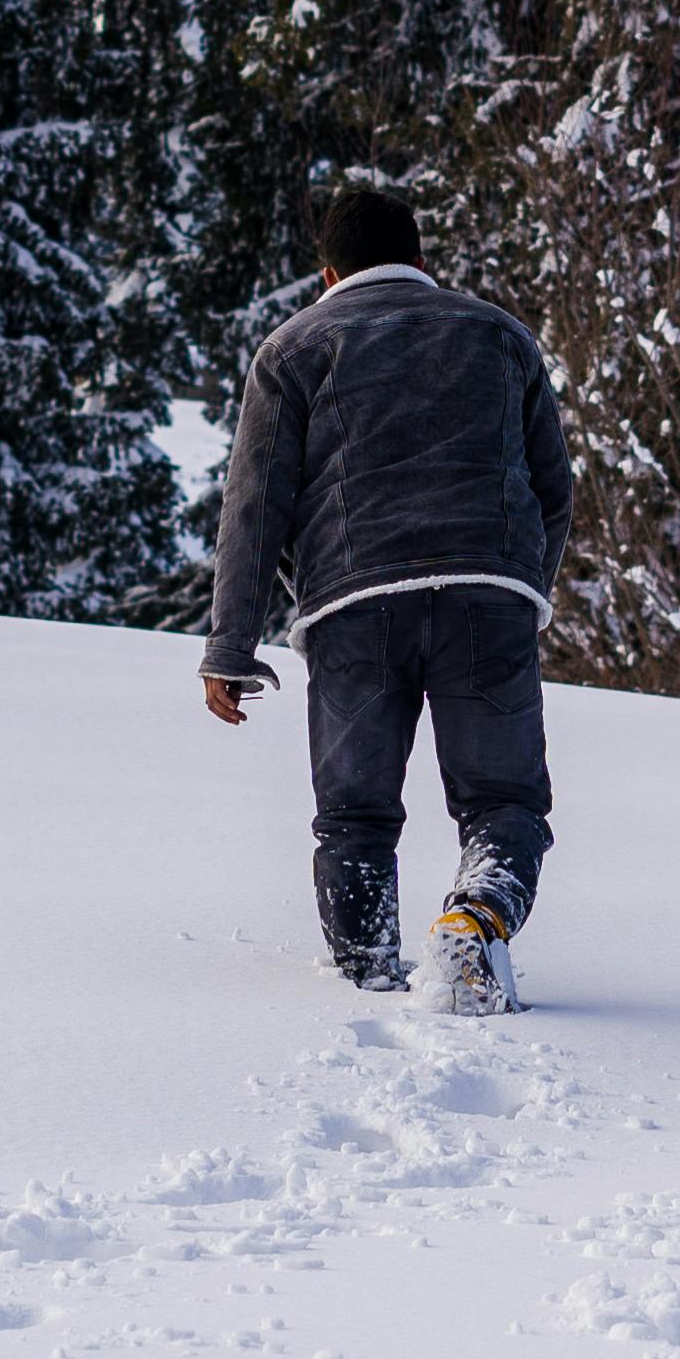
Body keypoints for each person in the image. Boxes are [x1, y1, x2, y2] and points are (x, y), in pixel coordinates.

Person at [203, 177, 576, 1008]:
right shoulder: (501, 336)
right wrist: (521, 587)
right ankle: (475, 920)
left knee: (356, 813)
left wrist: (231, 647)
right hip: (488, 597)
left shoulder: (293, 349)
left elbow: (255, 508)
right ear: (419, 258)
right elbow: (555, 489)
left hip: (352, 606)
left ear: (327, 276)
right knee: (504, 800)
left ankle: (368, 976)